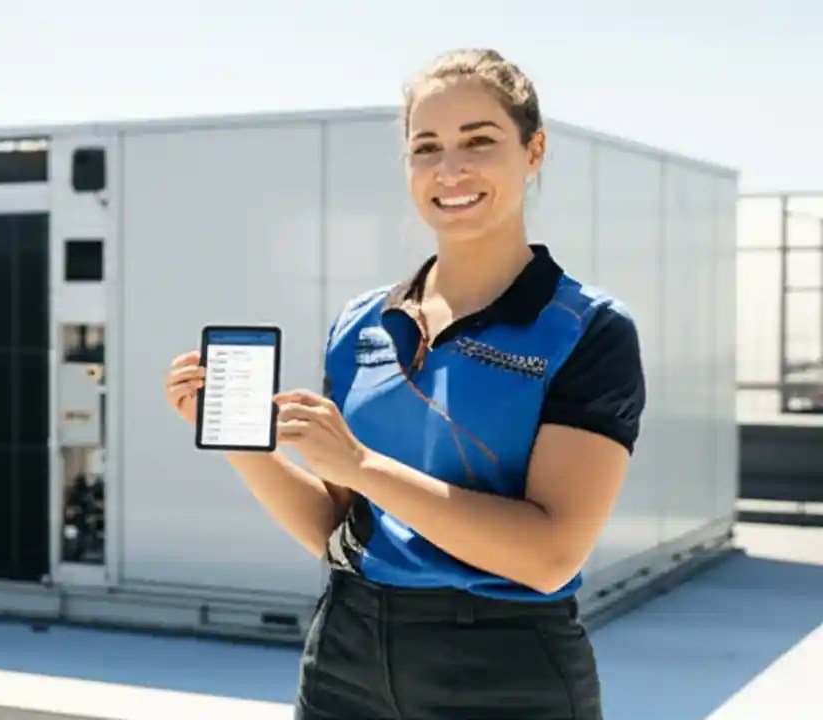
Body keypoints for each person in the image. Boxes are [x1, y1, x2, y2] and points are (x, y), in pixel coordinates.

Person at [163, 48, 644, 720]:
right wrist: (242, 443)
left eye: (479, 141)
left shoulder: (586, 329)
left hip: (504, 668)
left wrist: (361, 464)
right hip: (346, 657)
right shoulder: (362, 325)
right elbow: (338, 529)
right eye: (427, 147)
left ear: (534, 152)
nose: (450, 170)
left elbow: (549, 556)